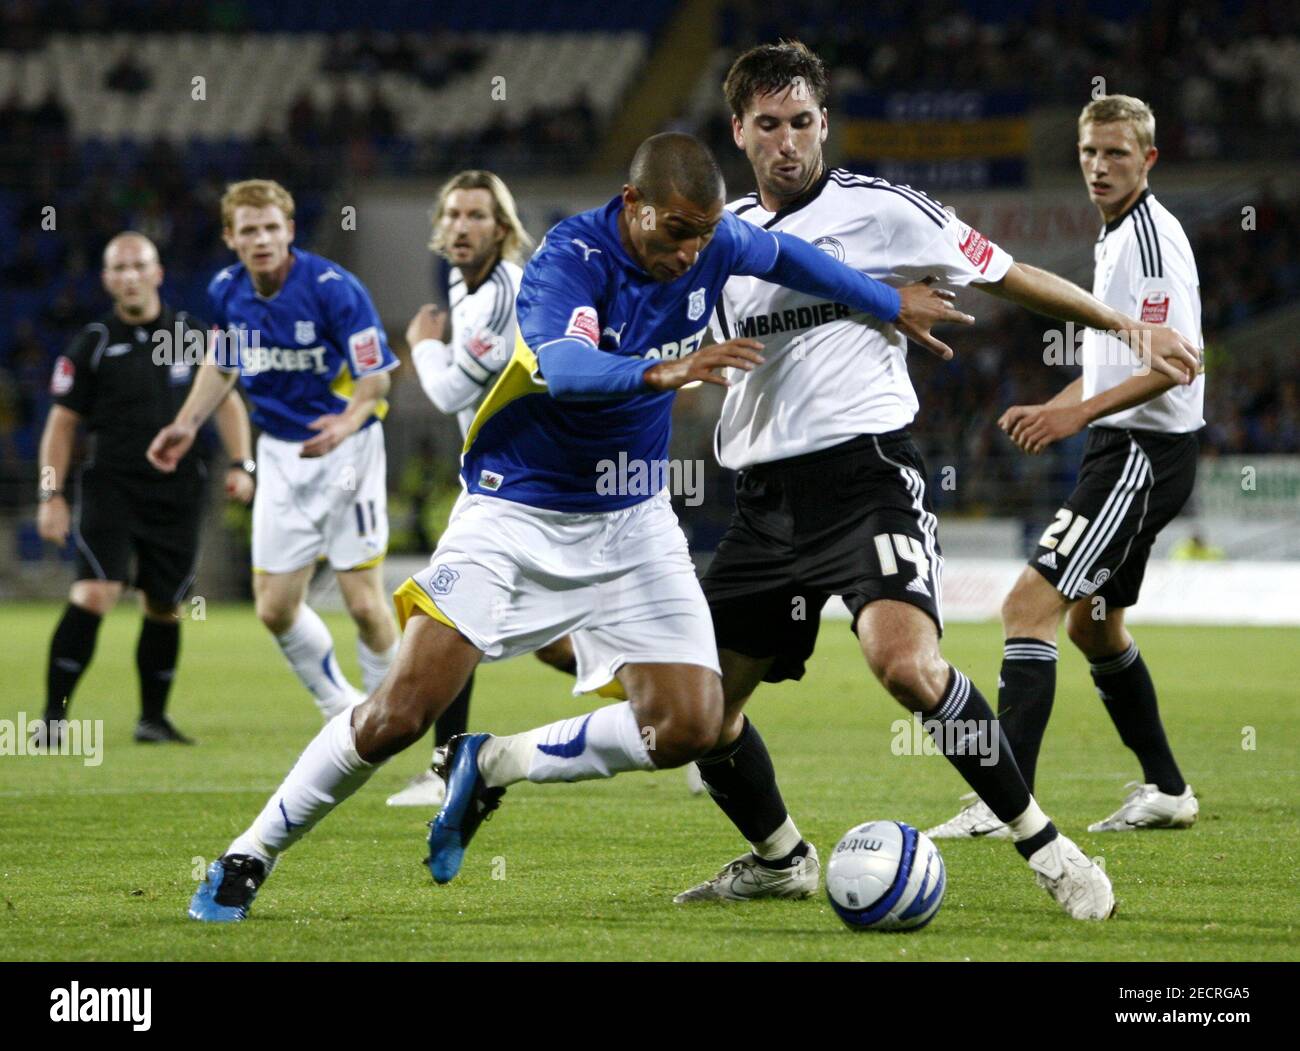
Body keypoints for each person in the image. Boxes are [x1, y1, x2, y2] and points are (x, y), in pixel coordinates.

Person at [185, 131, 970, 922]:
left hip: (633, 521)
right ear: (634, 204)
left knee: (692, 724)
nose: (693, 252)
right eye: (676, 233)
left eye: (705, 234)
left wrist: (888, 300)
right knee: (401, 713)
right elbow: (566, 369)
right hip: (515, 511)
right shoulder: (569, 261)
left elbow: (797, 263)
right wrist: (660, 371)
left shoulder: (710, 236)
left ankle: (489, 764)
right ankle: (247, 853)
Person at [667, 44, 1197, 918]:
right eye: (769, 126)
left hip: (864, 474)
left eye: (803, 123)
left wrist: (1122, 328)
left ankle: (1045, 844)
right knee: (699, 716)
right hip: (761, 502)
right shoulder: (718, 239)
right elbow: (693, 356)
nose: (789, 142)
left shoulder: (880, 209)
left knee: (904, 664)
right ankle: (779, 858)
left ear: (825, 124)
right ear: (738, 131)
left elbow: (1004, 270)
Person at [927, 95, 1205, 839]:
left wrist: (1074, 416)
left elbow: (1180, 361)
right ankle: (1169, 789)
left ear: (1148, 160)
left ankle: (1002, 801)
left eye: (1116, 153)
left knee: (1027, 607)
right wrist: (1061, 403)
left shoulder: (1148, 242)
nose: (1099, 166)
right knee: (1094, 625)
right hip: (1129, 446)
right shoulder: (1118, 235)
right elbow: (1129, 350)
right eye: (1089, 152)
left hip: (1140, 453)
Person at [147, 180, 400, 720]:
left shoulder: (335, 288)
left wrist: (348, 420)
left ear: (289, 230)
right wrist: (186, 424)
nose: (261, 239)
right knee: (275, 609)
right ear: (230, 237)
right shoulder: (226, 291)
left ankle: (395, 719)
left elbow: (376, 375)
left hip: (347, 454)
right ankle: (342, 710)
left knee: (362, 604)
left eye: (270, 227)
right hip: (282, 456)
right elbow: (223, 363)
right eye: (249, 230)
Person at [34, 232, 252, 746]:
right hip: (111, 486)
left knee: (164, 604)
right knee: (95, 592)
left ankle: (152, 720)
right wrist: (51, 494)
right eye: (118, 268)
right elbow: (61, 426)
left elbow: (227, 401)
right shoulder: (93, 342)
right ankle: (52, 718)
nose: (129, 275)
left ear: (158, 273)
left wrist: (243, 463)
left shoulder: (192, 334)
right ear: (107, 279)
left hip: (179, 490)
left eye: (139, 265)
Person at [387, 169, 532, 807]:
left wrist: (423, 345)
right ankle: (695, 726)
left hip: (524, 478)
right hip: (503, 474)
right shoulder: (464, 282)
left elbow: (447, 389)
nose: (462, 226)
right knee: (557, 642)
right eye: (453, 215)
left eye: (477, 215)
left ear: (501, 228)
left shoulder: (502, 292)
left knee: (450, 608)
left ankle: (451, 769)